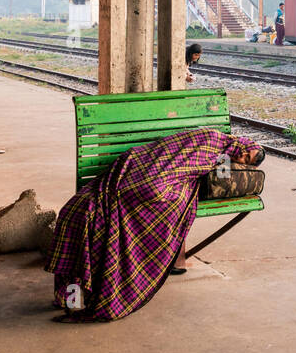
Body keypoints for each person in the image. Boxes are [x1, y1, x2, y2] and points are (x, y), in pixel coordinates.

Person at [45, 128, 265, 322]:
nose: (243, 156)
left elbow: (222, 179)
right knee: (76, 214)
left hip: (159, 181)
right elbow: (172, 149)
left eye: (246, 159)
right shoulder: (213, 137)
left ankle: (78, 296)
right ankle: (71, 298)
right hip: (136, 163)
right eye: (247, 152)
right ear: (247, 142)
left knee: (150, 193)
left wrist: (232, 165)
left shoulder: (223, 157)